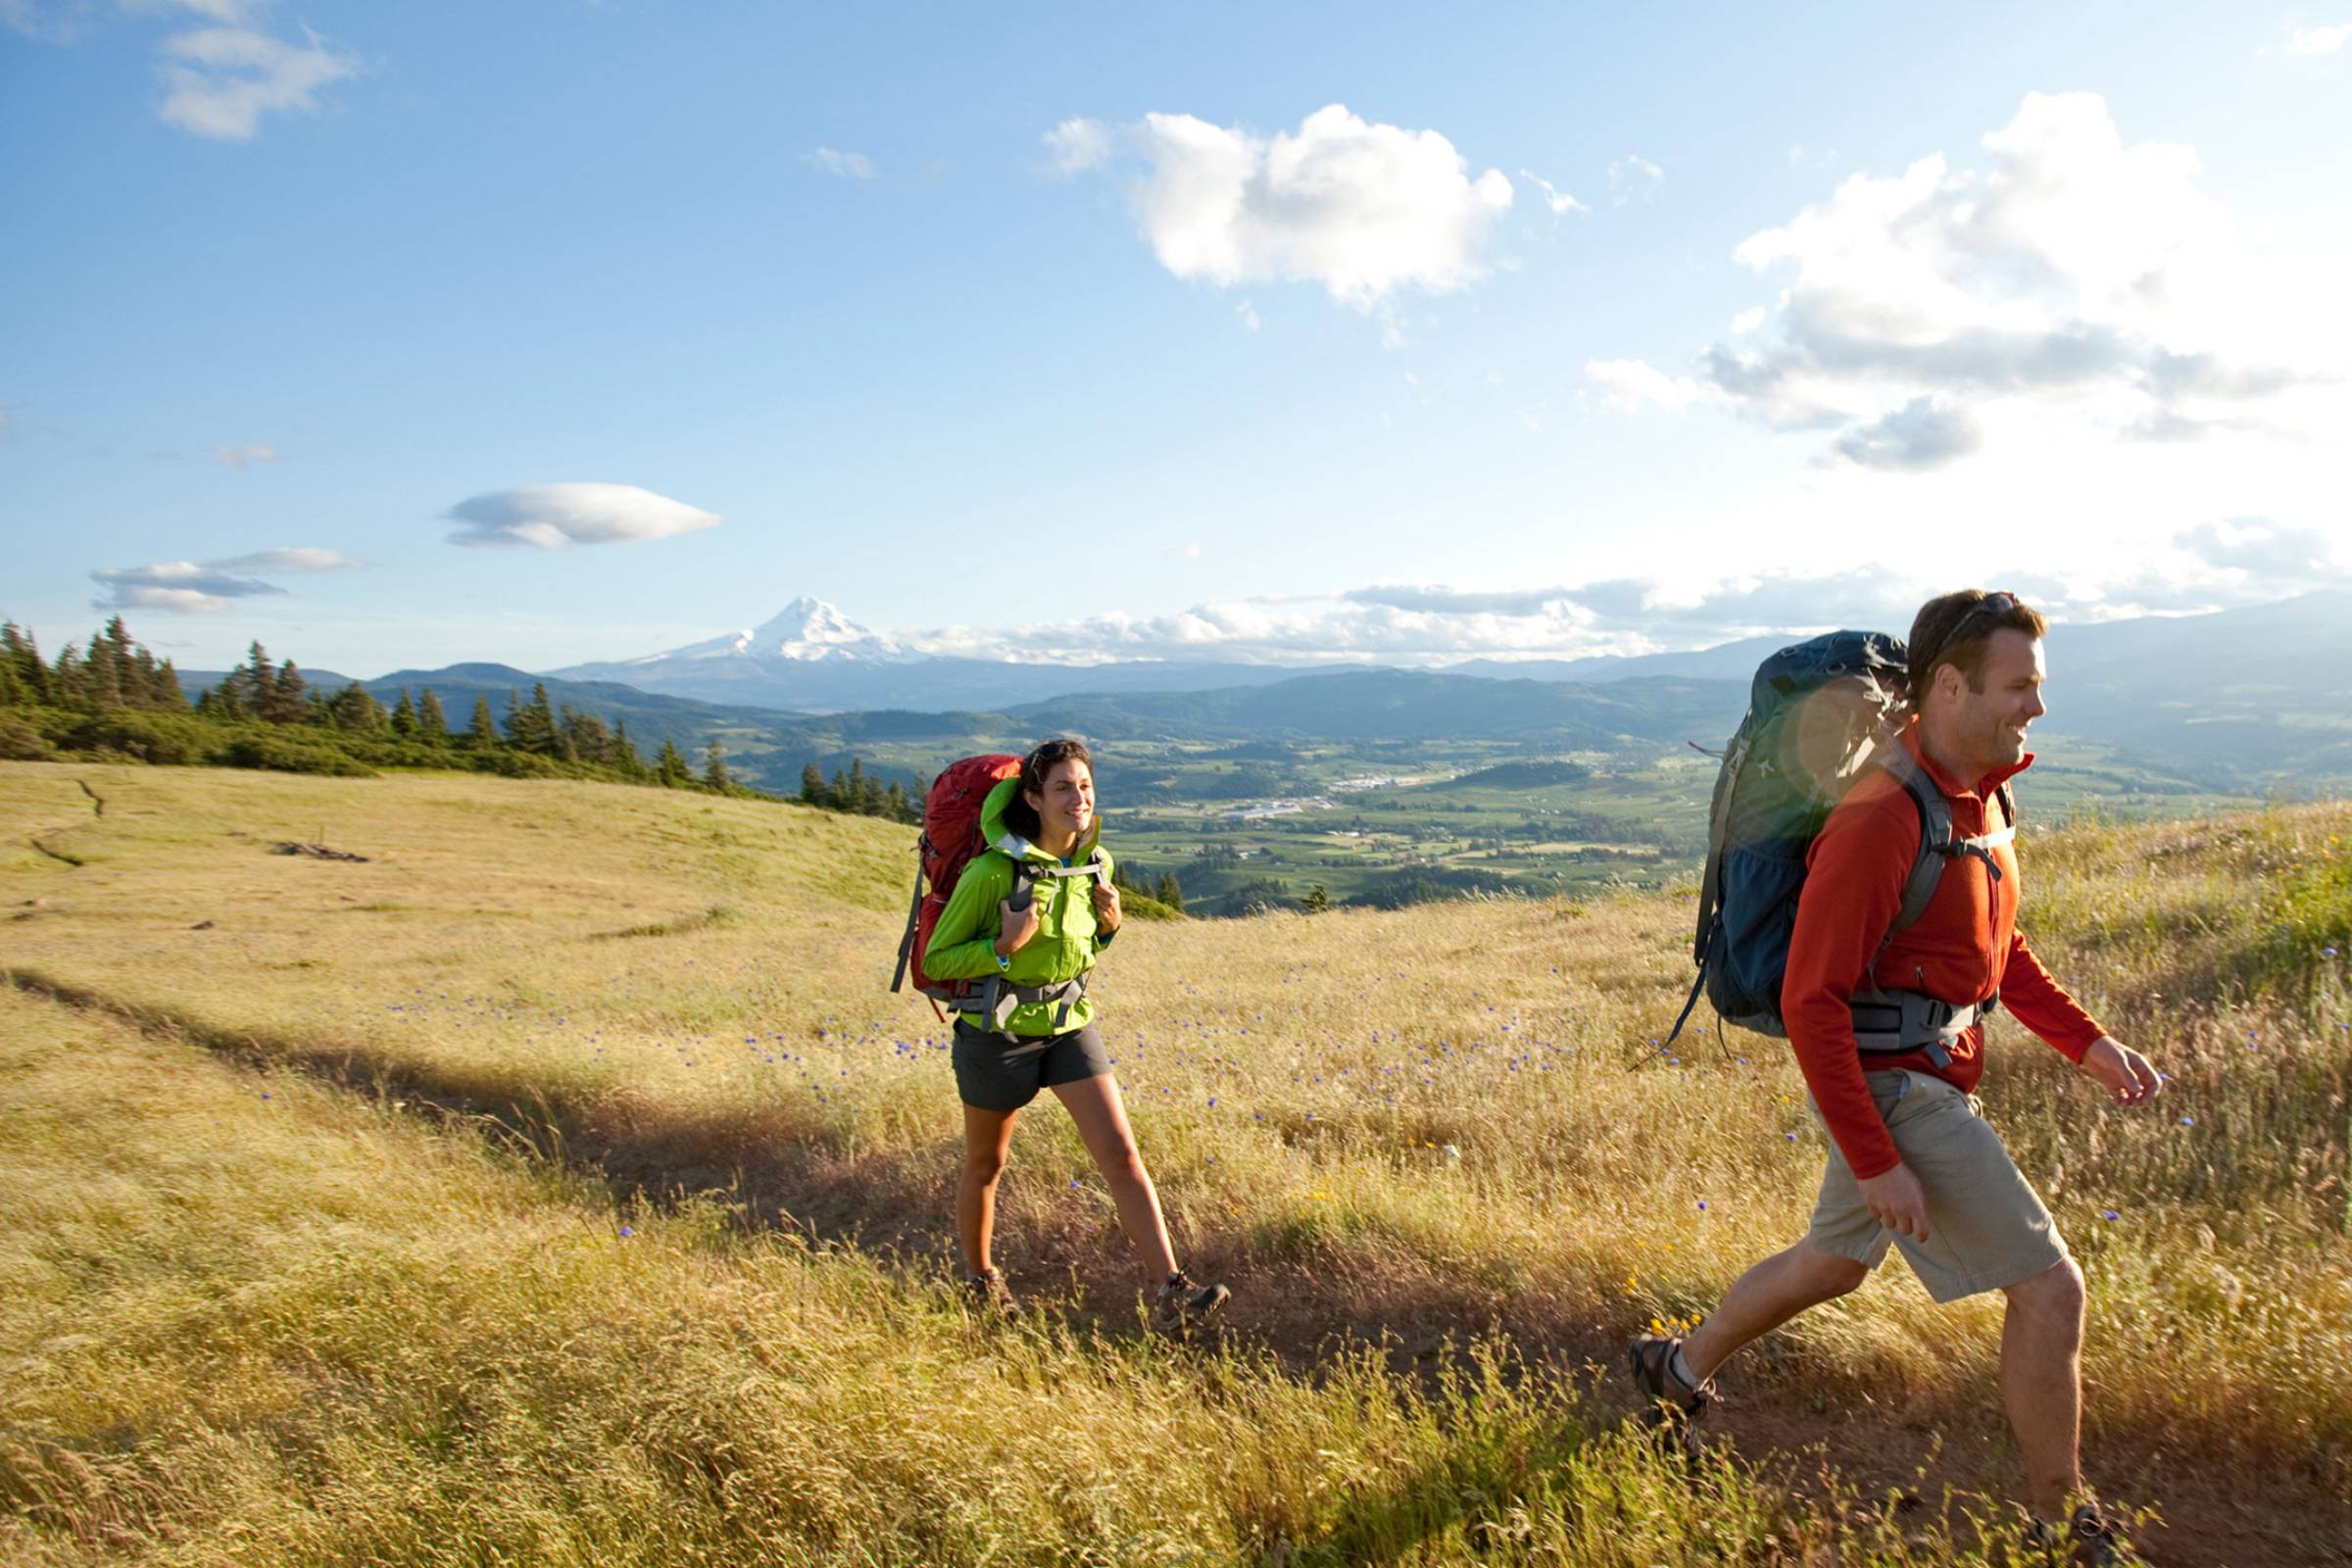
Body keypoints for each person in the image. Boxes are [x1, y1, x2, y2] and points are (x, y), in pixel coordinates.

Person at [1628, 591, 2164, 1564]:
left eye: (2037, 685)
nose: (2037, 706)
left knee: (1833, 1262)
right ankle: (2064, 1527)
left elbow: (1996, 947)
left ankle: (1676, 1366)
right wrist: (1877, 1158)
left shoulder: (1981, 795)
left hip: (1927, 1074)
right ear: (1950, 686)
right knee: (2052, 1290)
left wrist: (2086, 1044)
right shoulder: (1882, 815)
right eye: (2019, 686)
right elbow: (1812, 1000)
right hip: (1895, 1085)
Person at [922, 737, 1230, 1327]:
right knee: (987, 1164)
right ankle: (980, 1281)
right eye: (1062, 787)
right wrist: (1003, 947)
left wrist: (1109, 928)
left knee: (1122, 1154)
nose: (1078, 798)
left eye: (1085, 786)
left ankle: (1170, 1288)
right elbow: (939, 958)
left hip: (1068, 1026)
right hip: (996, 1034)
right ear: (1033, 798)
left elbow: (1076, 949)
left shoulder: (1096, 864)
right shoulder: (992, 872)